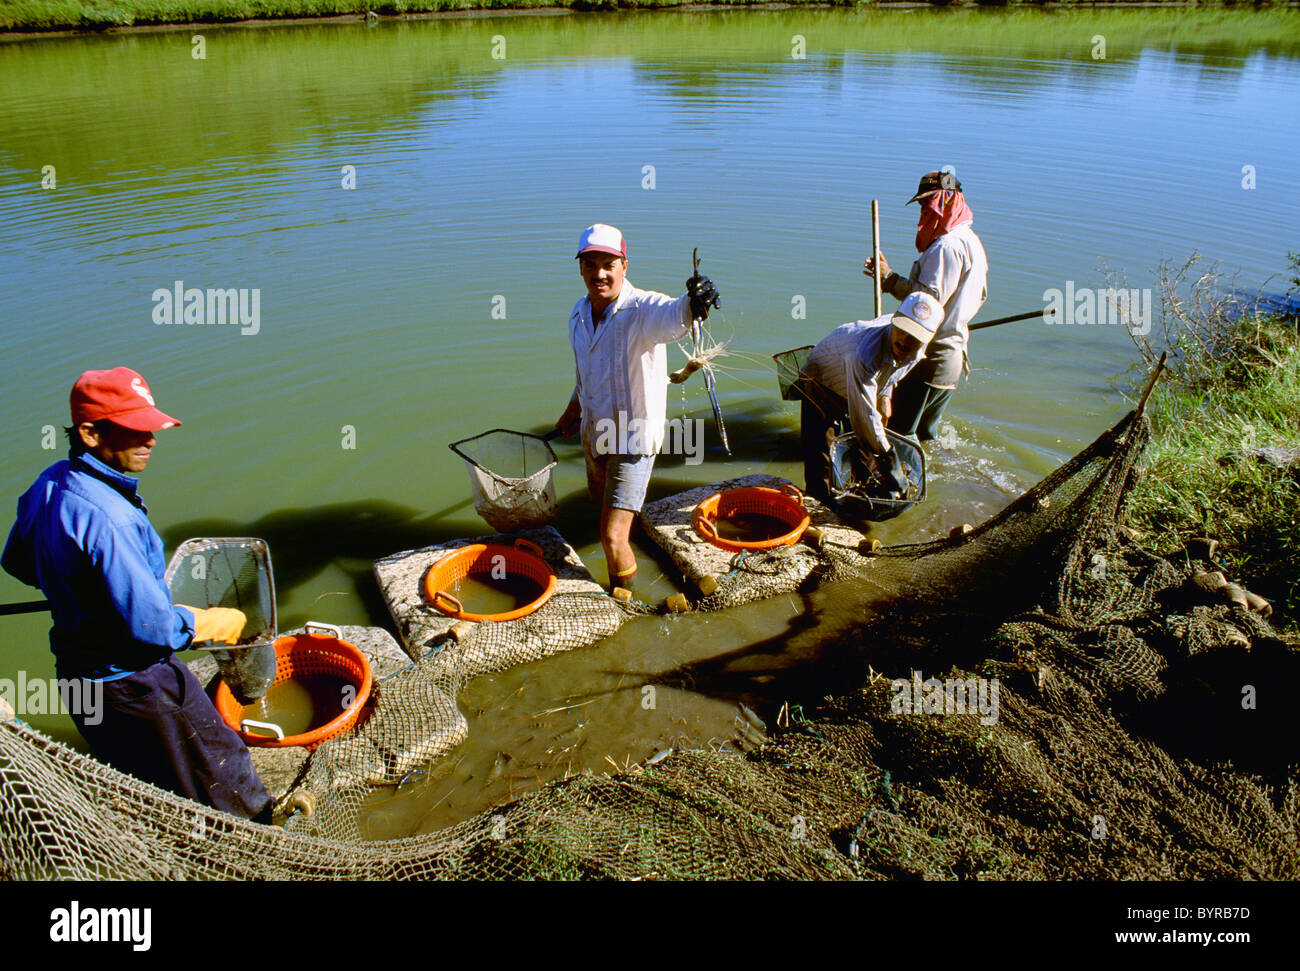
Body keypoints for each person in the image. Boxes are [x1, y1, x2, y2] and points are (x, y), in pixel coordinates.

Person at [2, 367, 272, 822]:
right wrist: (213, 621)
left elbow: (16, 563)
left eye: (150, 428)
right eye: (134, 430)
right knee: (227, 777)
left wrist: (78, 590)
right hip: (139, 684)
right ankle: (270, 847)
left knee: (145, 784)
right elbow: (154, 629)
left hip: (76, 675)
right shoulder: (113, 518)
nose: (149, 440)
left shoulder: (47, 486)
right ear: (89, 433)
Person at [554, 224, 719, 591]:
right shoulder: (578, 317)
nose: (599, 273)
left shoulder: (643, 310)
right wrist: (573, 408)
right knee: (604, 511)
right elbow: (586, 372)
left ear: (624, 266)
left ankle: (625, 600)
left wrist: (696, 302)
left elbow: (676, 315)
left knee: (611, 537)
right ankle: (632, 540)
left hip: (633, 439)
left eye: (608, 264)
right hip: (594, 434)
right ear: (580, 268)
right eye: (591, 264)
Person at [863, 170, 988, 441]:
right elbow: (979, 297)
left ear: (946, 201)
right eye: (921, 205)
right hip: (952, 357)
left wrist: (888, 278)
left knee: (897, 435)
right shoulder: (971, 241)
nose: (923, 211)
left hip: (929, 357)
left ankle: (902, 483)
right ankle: (928, 480)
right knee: (925, 437)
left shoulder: (947, 246)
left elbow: (925, 306)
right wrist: (954, 319)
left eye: (928, 203)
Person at [796, 291, 943, 501]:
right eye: (902, 330)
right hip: (822, 378)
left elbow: (890, 372)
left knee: (867, 450)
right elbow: (865, 417)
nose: (905, 341)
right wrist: (890, 459)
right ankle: (822, 503)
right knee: (823, 453)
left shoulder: (916, 350)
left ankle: (862, 494)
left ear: (927, 338)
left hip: (859, 380)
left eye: (916, 337)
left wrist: (885, 395)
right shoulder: (863, 355)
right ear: (894, 323)